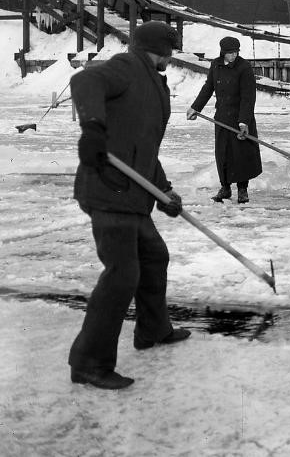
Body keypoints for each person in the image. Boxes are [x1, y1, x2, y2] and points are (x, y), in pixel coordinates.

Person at [67, 20, 191, 391]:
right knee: (122, 274)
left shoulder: (152, 82)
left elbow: (143, 150)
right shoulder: (128, 66)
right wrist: (92, 128)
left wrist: (163, 191)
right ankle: (89, 363)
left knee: (154, 256)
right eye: (169, 51)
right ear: (160, 50)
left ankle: (152, 329)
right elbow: (85, 81)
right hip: (109, 190)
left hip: (132, 195)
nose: (170, 58)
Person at [186, 36, 262, 204]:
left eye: (236, 52)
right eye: (230, 53)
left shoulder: (244, 67)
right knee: (223, 154)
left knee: (241, 154)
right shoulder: (216, 65)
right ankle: (225, 188)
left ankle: (242, 189)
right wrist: (195, 107)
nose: (234, 55)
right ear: (223, 52)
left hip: (240, 118)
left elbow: (248, 97)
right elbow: (208, 87)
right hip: (222, 118)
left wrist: (244, 122)